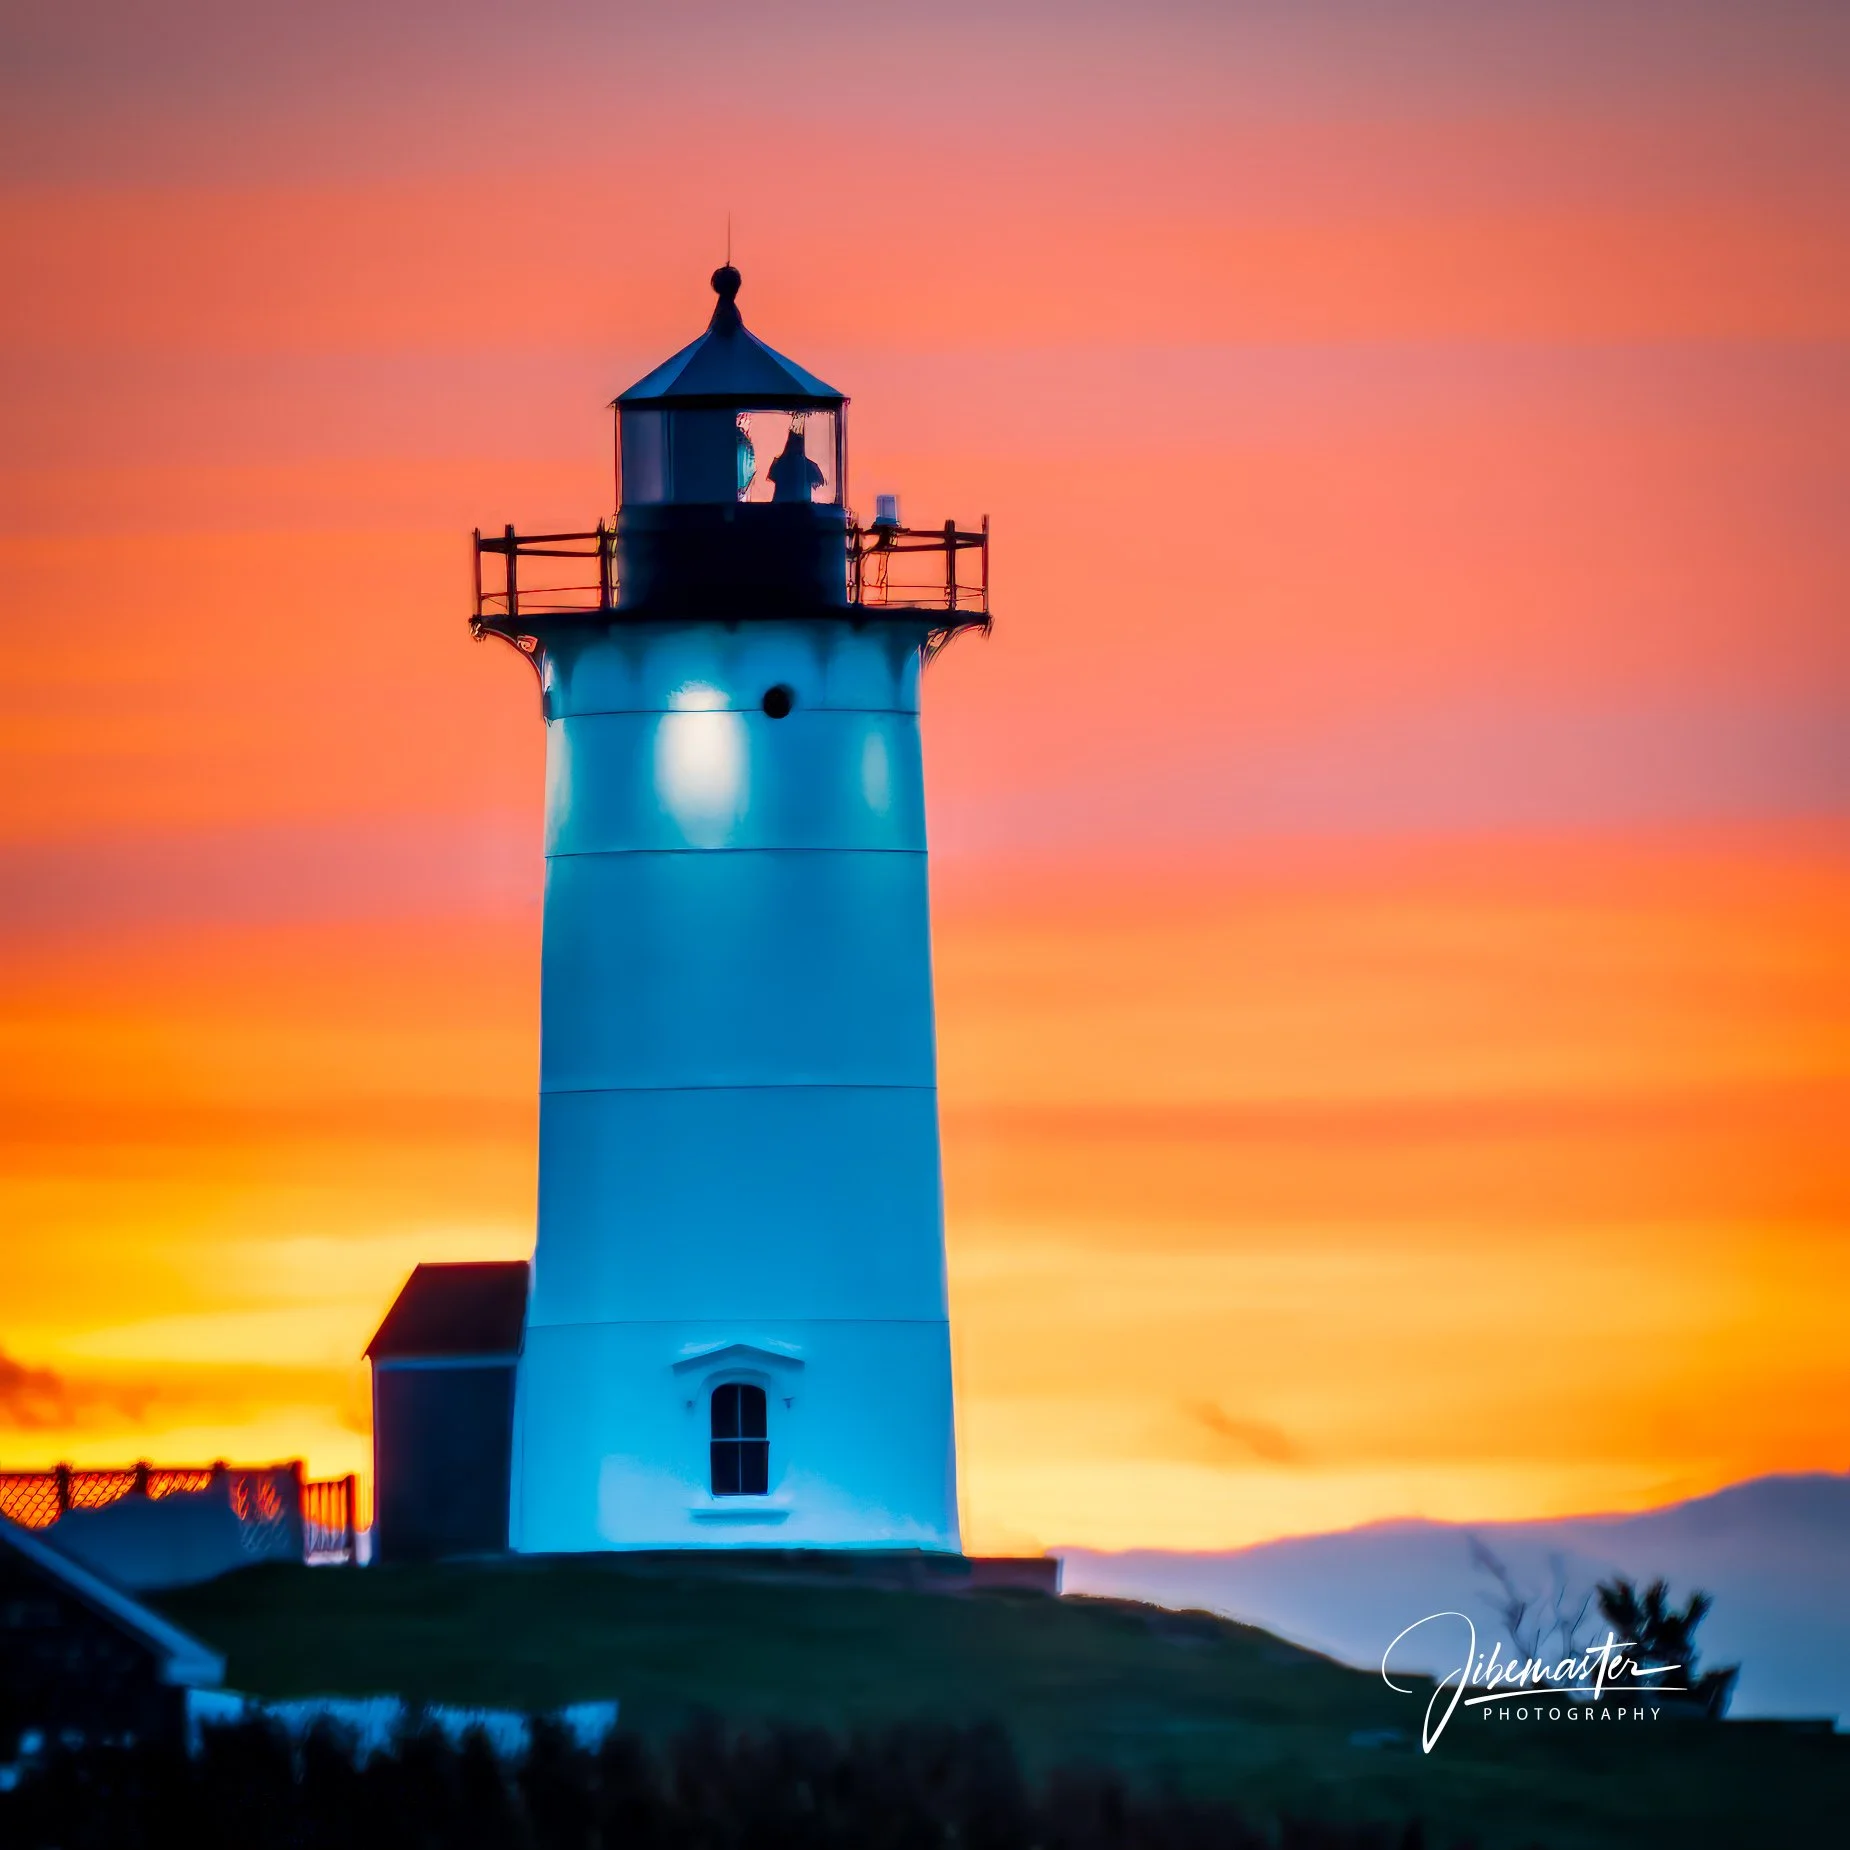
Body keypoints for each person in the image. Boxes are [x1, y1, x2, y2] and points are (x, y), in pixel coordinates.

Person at [767, 418, 826, 503]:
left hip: (780, 508)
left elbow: (773, 477)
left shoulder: (779, 462)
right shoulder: (809, 465)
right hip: (800, 510)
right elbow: (819, 482)